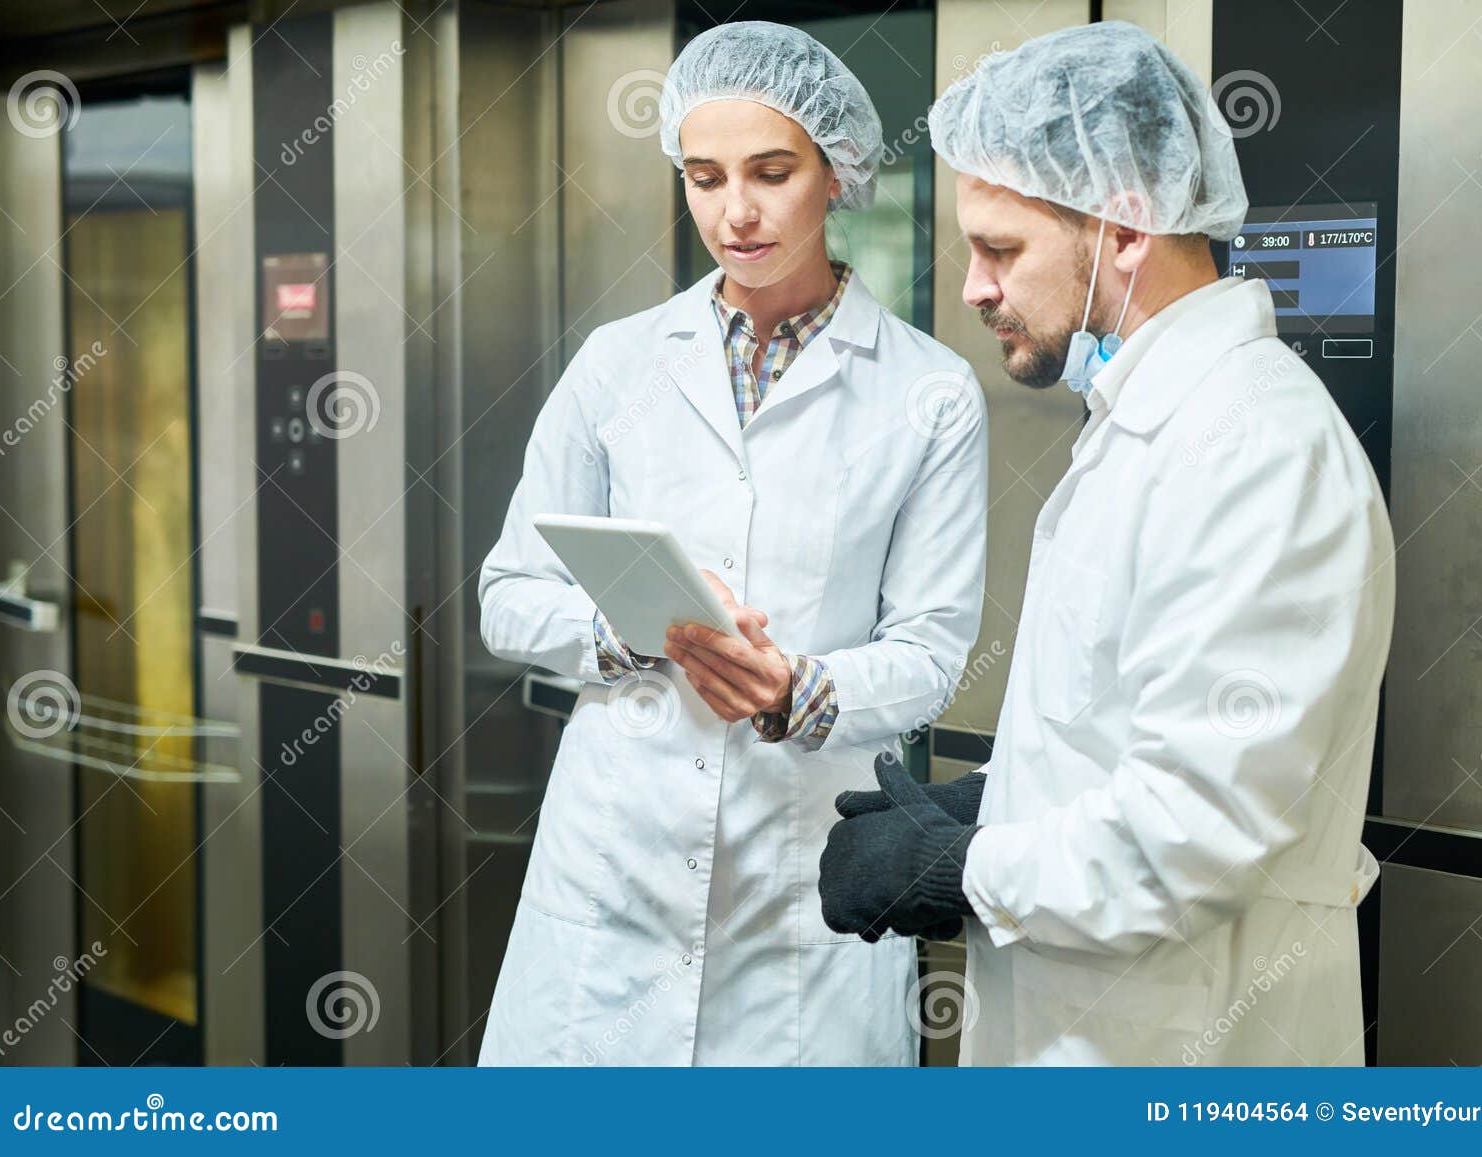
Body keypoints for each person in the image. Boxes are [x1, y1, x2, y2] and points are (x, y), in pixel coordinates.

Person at [818, 21, 1395, 1066]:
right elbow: (1139, 729)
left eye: (1000, 249)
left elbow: (1191, 833)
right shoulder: (1146, 424)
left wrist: (958, 868)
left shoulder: (1251, 447)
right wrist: (1001, 796)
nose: (973, 289)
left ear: (1124, 226)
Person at [477, 21, 988, 1066]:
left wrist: (793, 686)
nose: (735, 211)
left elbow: (934, 650)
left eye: (770, 171)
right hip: (611, 876)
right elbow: (507, 591)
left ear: (836, 173)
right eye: (704, 177)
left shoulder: (929, 391)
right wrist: (634, 630)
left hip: (801, 876)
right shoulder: (617, 364)